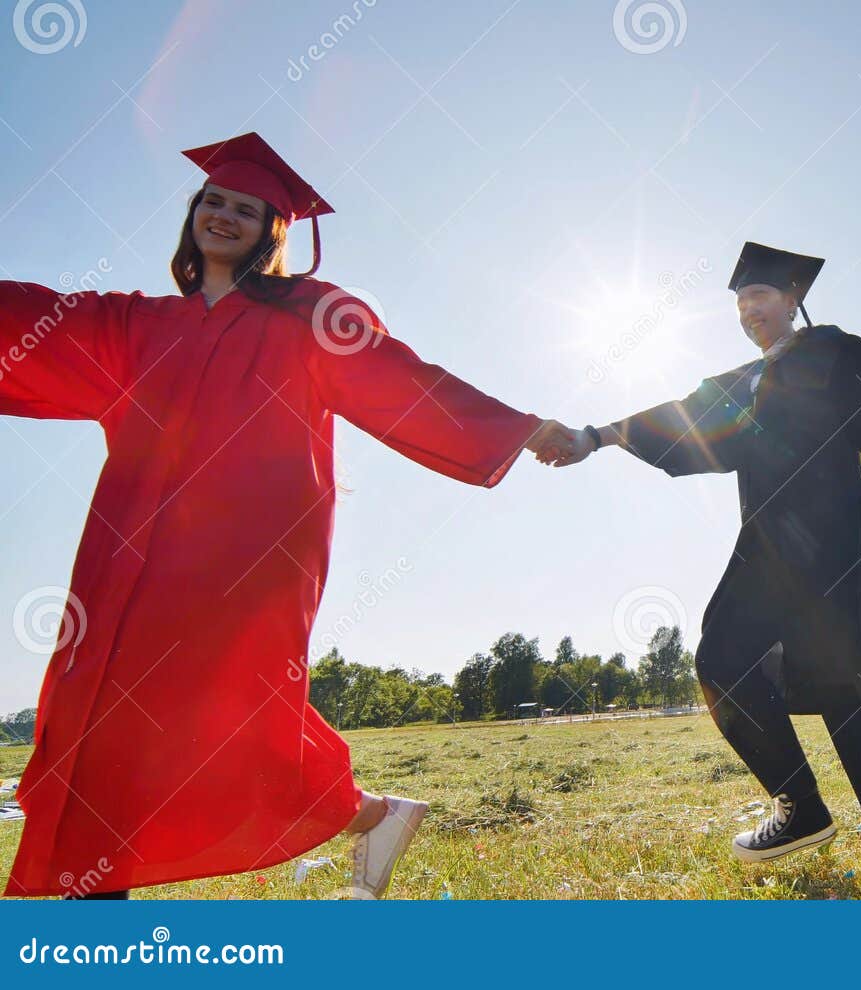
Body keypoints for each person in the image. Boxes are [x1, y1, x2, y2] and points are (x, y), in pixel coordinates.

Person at [0, 133, 569, 899]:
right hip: (124, 552)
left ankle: (86, 905)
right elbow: (32, 320)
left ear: (275, 231)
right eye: (213, 202)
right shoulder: (136, 327)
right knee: (94, 713)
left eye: (244, 208)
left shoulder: (307, 315)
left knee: (221, 705)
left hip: (243, 556)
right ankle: (360, 816)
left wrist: (515, 426)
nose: (223, 216)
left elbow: (398, 379)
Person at [543, 242, 861, 865]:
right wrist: (594, 436)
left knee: (741, 658)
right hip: (770, 536)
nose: (749, 309)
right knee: (834, 678)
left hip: (825, 535)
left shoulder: (829, 349)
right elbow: (678, 417)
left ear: (794, 298)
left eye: (761, 295)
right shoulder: (739, 383)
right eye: (742, 300)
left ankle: (816, 813)